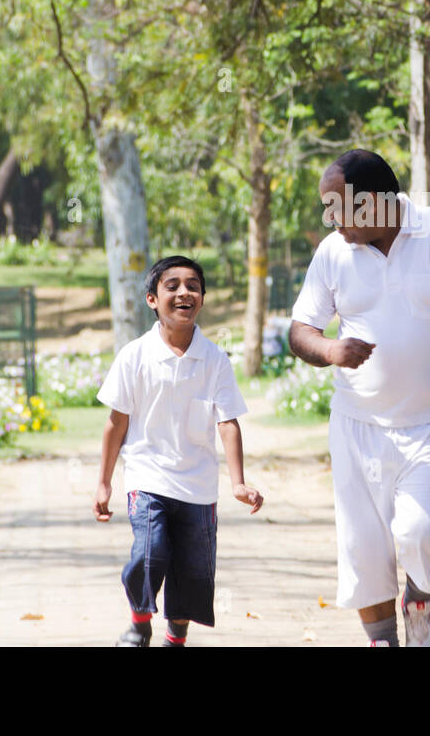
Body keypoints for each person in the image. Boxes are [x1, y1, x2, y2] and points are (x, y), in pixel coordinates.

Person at [289, 150, 430, 646]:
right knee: (364, 552)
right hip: (357, 426)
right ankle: (386, 641)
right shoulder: (333, 252)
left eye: (336, 205)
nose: (329, 218)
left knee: (420, 531)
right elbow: (299, 330)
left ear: (371, 203)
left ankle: (418, 595)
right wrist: (329, 348)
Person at [94, 255, 264, 647]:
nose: (184, 292)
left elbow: (228, 421)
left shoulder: (216, 360)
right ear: (152, 299)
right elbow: (115, 423)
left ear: (202, 299)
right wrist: (103, 484)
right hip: (146, 476)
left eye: (193, 286)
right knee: (150, 552)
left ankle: (176, 638)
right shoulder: (134, 356)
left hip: (198, 485)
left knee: (192, 571)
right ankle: (139, 622)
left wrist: (238, 483)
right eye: (172, 286)